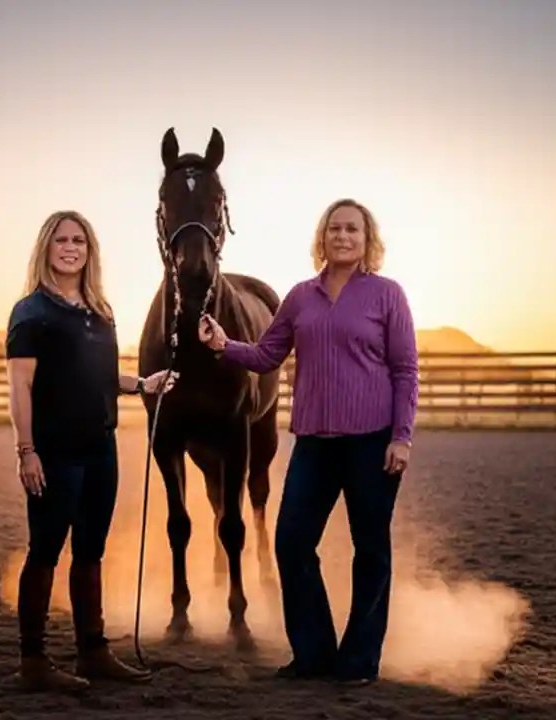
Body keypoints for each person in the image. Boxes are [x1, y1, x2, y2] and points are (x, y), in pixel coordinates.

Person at [198, 198, 418, 685]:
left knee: (371, 551)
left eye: (353, 230)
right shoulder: (300, 297)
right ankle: (314, 655)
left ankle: (358, 662)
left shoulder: (387, 295)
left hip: (372, 441)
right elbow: (266, 354)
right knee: (292, 542)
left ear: (368, 240)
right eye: (335, 229)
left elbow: (405, 371)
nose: (343, 236)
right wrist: (222, 345)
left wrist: (401, 438)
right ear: (322, 238)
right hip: (314, 444)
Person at [6, 210, 177, 692]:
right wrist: (26, 450)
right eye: (61, 239)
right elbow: (20, 386)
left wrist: (143, 383)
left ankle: (92, 651)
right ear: (46, 248)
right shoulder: (31, 312)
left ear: (89, 250)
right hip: (55, 451)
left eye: (79, 240)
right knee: (45, 550)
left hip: (101, 448)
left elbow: (101, 378)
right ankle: (34, 661)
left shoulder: (99, 310)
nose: (70, 247)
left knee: (91, 549)